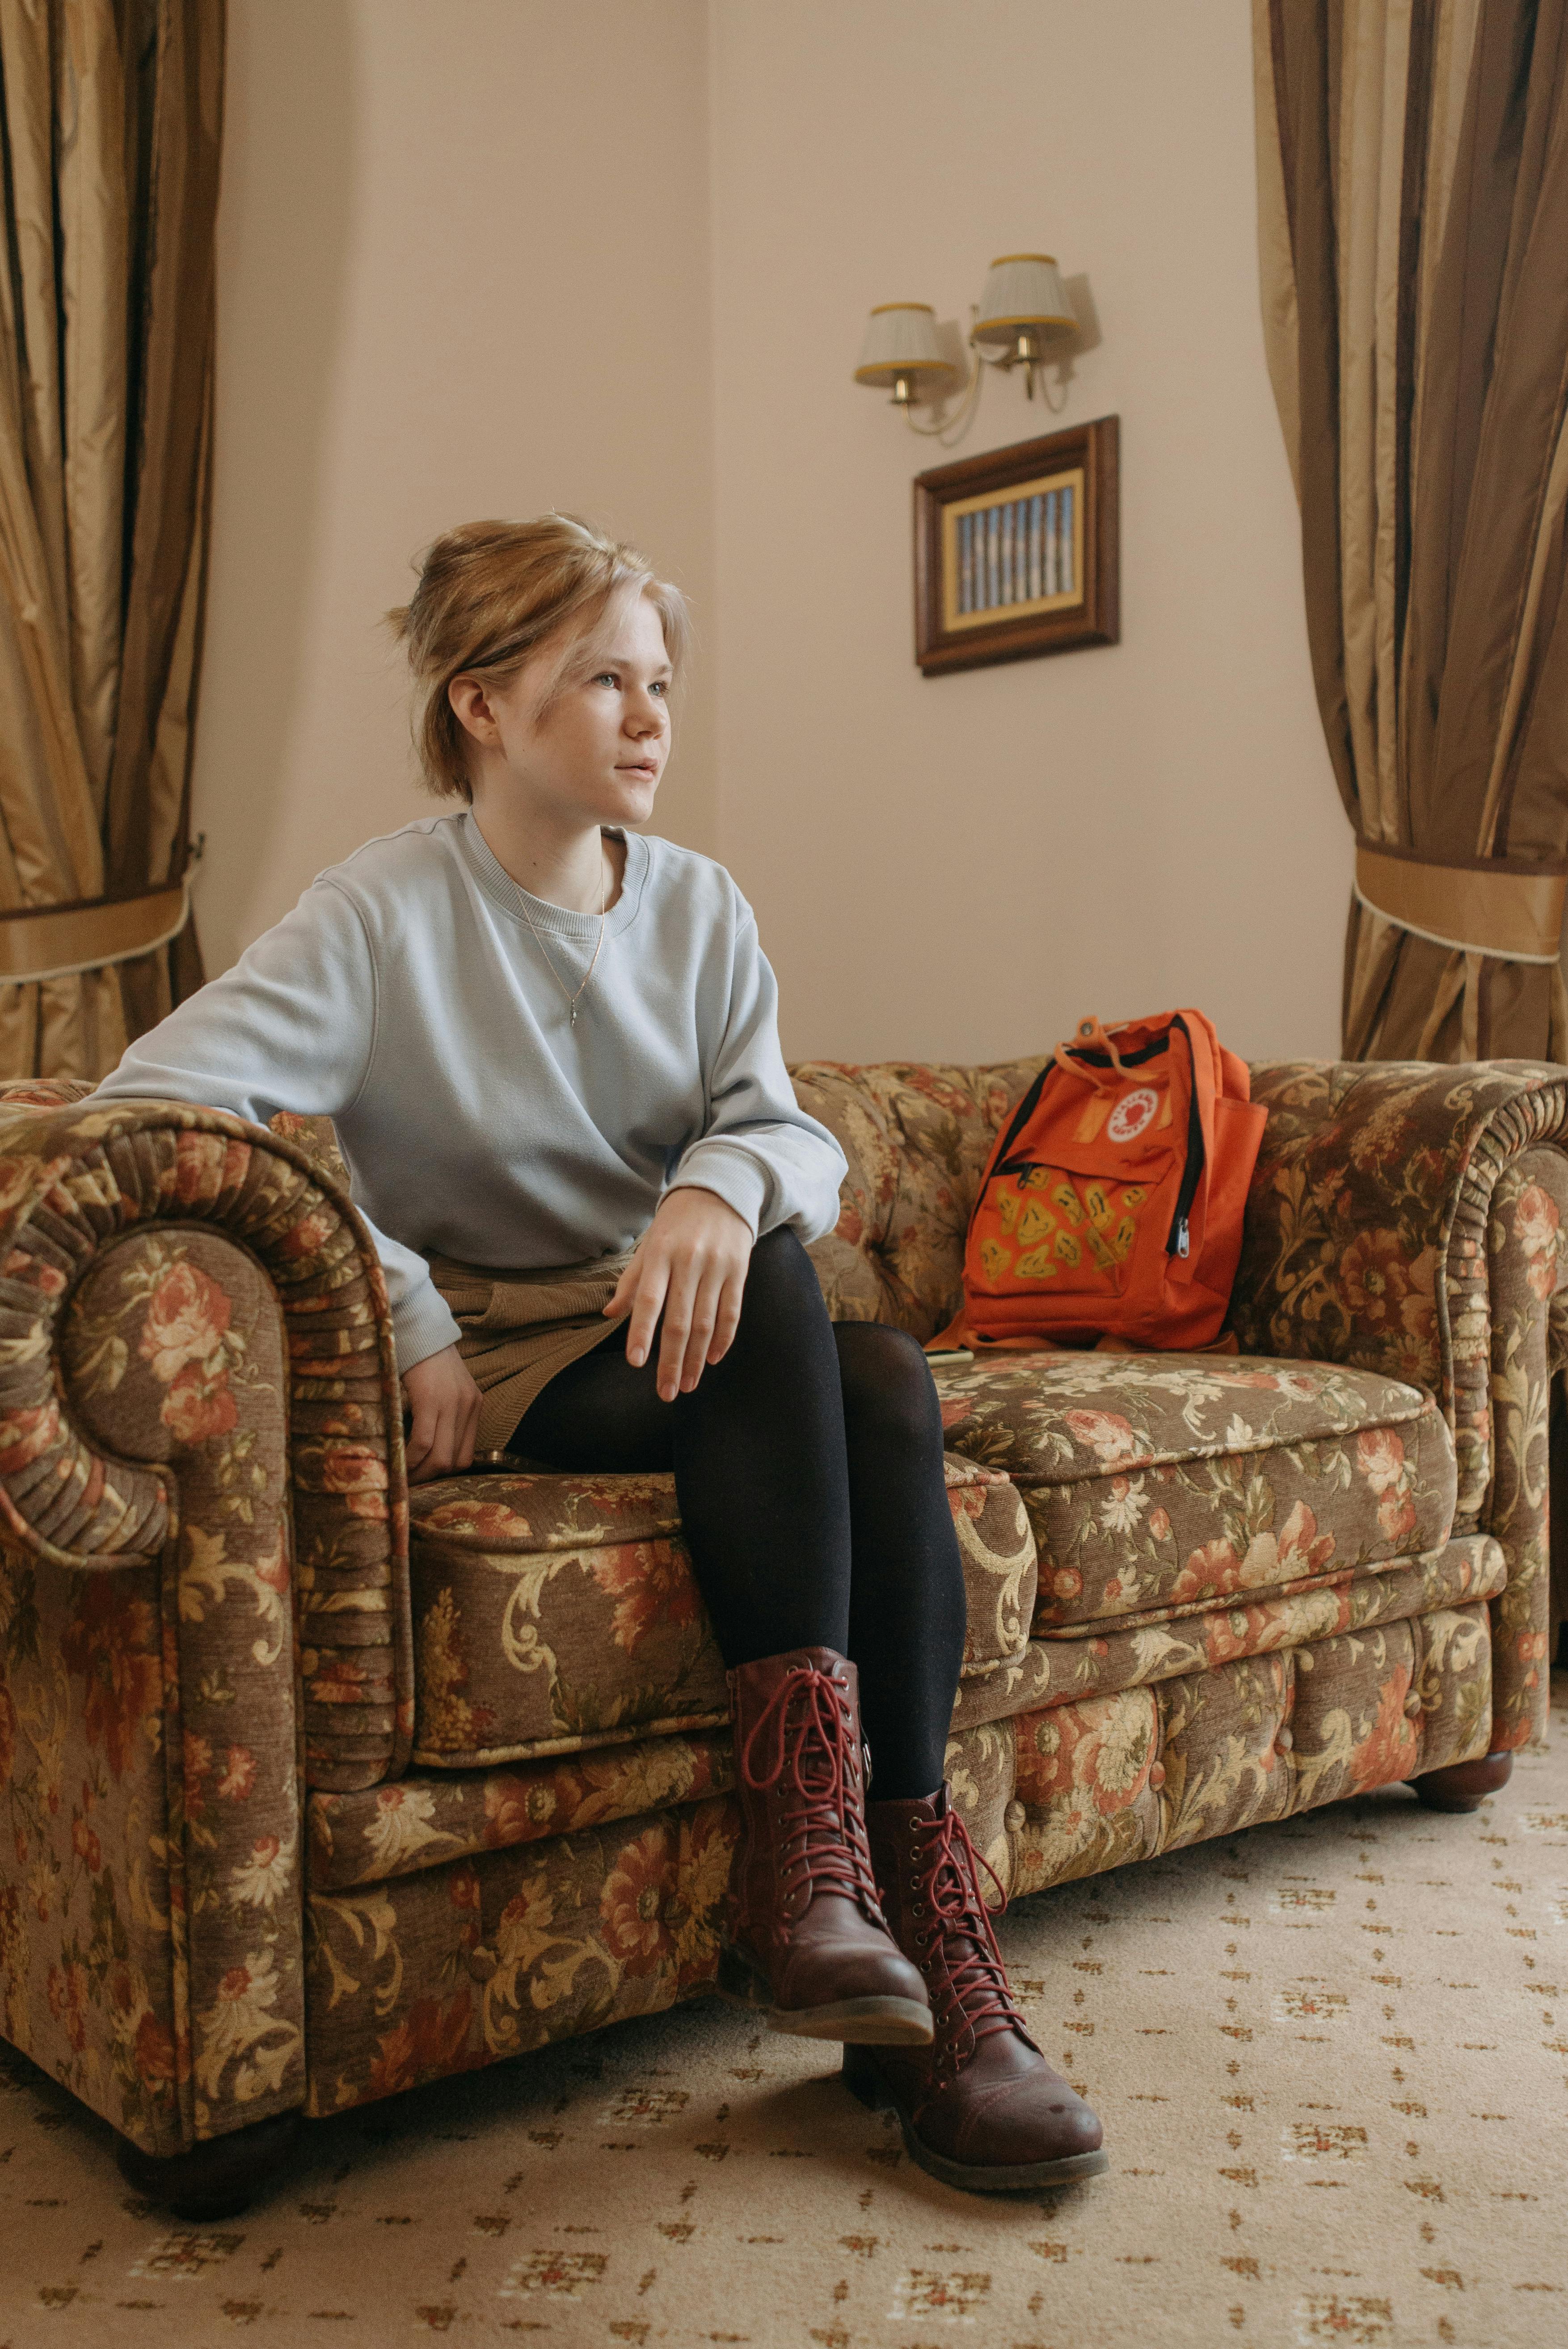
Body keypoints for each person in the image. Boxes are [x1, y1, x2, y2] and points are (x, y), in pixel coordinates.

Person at [93, 515, 1106, 2194]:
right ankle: (857, 1919)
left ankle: (893, 1930)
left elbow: (787, 1136)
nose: (649, 717)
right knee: (794, 1305)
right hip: (512, 1362)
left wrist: (716, 1184)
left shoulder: (700, 910)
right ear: (482, 706)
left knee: (872, 1367)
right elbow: (159, 1102)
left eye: (660, 682)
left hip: (688, 1327)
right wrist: (402, 1302)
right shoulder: (383, 912)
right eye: (601, 682)